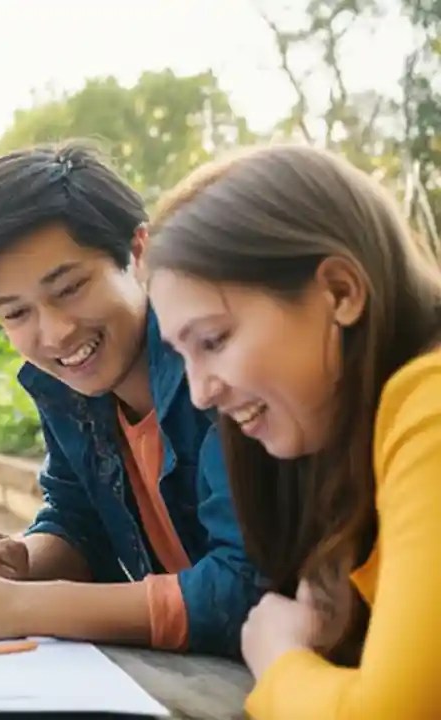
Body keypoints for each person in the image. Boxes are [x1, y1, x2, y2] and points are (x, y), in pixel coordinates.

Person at [0, 142, 259, 657]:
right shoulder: (65, 386)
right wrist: (20, 562)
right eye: (16, 314)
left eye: (71, 287)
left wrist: (15, 607)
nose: (55, 333)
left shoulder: (218, 373)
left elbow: (244, 588)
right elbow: (80, 519)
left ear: (138, 251)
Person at [146, 144, 441, 717]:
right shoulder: (364, 440)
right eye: (182, 355)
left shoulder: (429, 407)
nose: (201, 390)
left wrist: (279, 658)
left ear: (339, 292)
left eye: (213, 341)